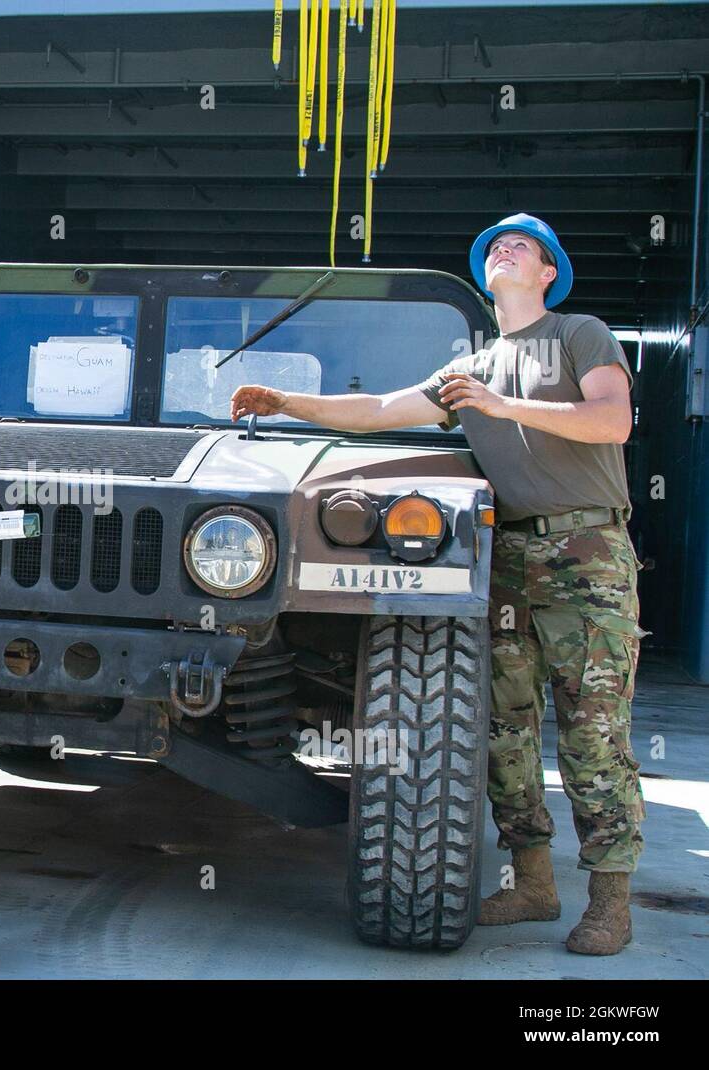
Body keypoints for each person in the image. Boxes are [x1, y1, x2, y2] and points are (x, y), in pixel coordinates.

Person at [231, 213, 643, 956]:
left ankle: (611, 901)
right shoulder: (470, 370)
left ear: (548, 273)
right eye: (494, 246)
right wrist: (286, 402)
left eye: (524, 246)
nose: (505, 251)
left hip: (588, 557)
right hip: (508, 559)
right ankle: (533, 883)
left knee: (593, 734)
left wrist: (503, 406)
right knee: (502, 731)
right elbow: (379, 411)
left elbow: (613, 422)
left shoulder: (581, 334)